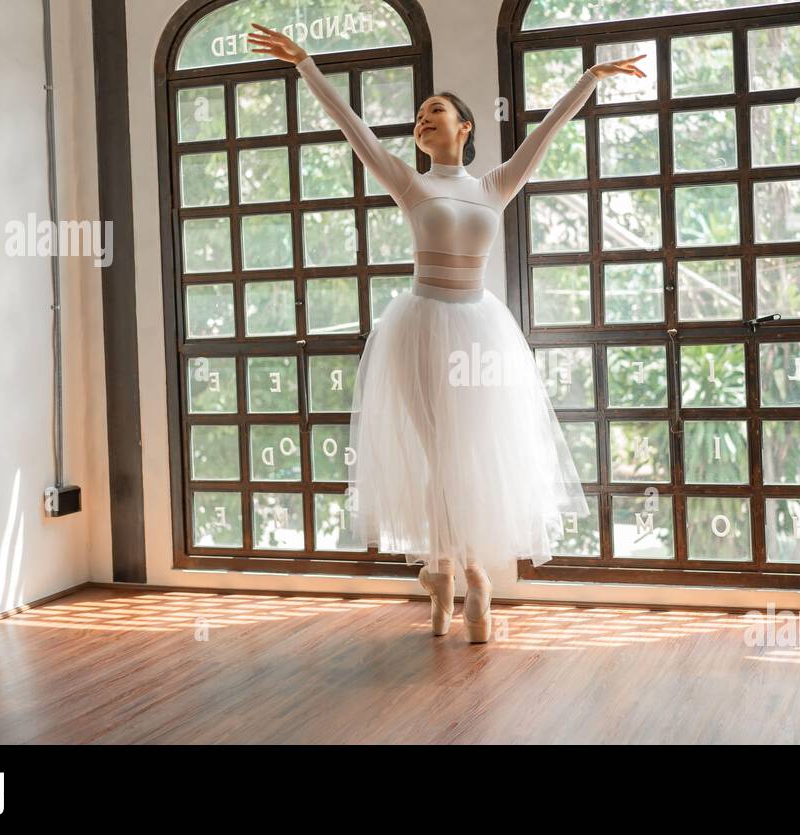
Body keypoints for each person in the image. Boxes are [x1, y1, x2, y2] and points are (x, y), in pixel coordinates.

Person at [247, 23, 646, 643]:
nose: (422, 122)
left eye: (436, 113)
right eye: (417, 118)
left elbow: (546, 135)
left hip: (482, 333)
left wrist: (588, 81)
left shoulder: (495, 186)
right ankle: (463, 575)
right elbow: (352, 128)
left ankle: (446, 575)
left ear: (465, 128)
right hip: (420, 326)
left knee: (470, 454)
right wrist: (307, 66)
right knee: (437, 454)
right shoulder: (412, 182)